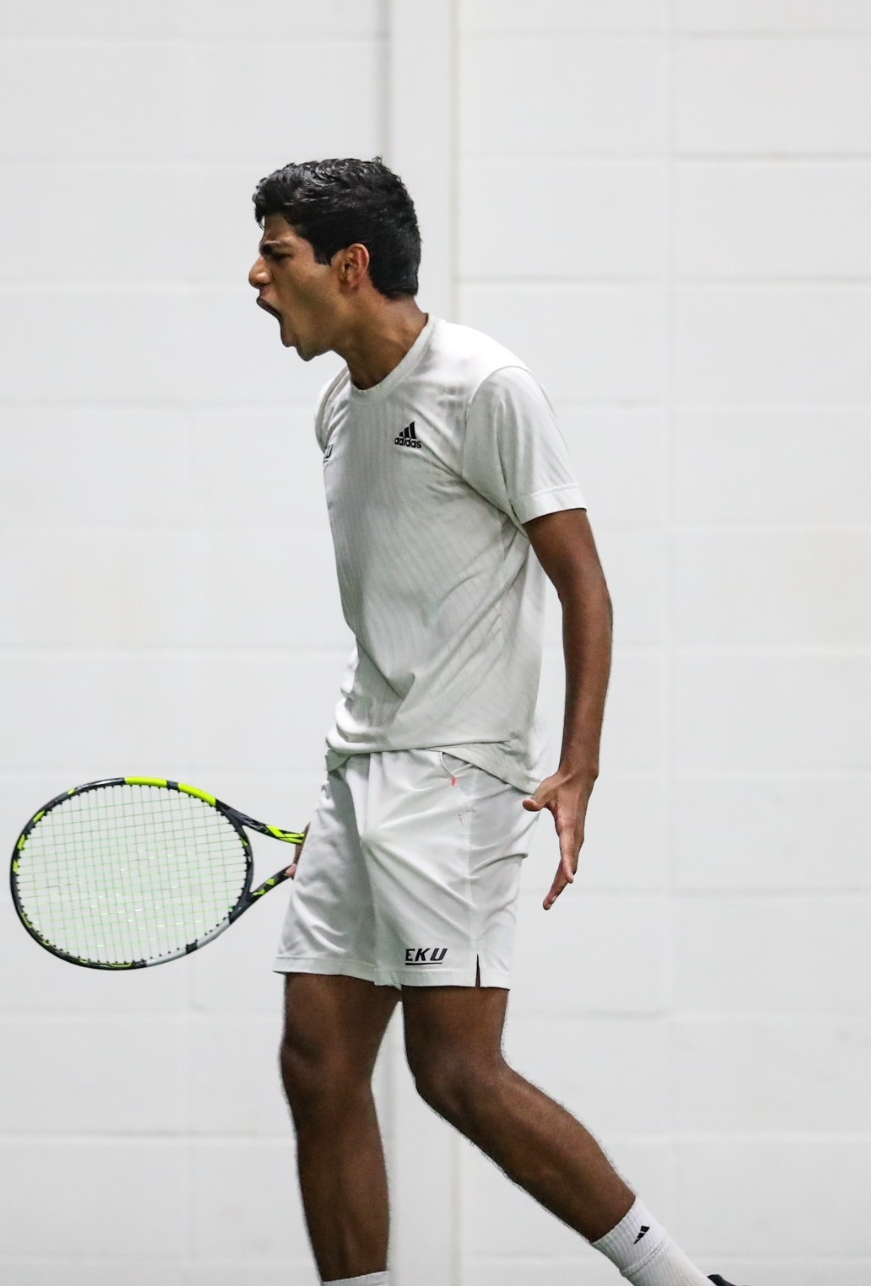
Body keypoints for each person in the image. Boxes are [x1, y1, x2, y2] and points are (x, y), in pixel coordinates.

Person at [247, 157, 738, 1286]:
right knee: (317, 1063)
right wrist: (354, 796)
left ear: (349, 264)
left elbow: (585, 584)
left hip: (458, 776)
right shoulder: (336, 405)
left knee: (454, 1073)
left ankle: (679, 1283)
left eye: (277, 254)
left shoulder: (482, 386)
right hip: (357, 772)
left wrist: (577, 769)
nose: (256, 278)